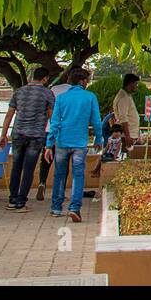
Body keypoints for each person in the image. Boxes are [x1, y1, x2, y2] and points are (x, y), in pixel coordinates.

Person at [45, 68, 103, 223]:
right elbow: (96, 121)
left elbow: (55, 122)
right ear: (82, 81)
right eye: (87, 81)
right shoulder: (90, 97)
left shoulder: (62, 98)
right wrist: (98, 139)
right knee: (78, 175)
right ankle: (74, 207)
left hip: (62, 141)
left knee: (59, 174)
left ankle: (56, 207)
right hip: (79, 142)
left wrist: (49, 145)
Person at [0, 66, 56, 211]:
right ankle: (21, 202)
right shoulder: (47, 93)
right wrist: (55, 135)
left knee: (16, 167)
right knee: (28, 169)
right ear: (45, 79)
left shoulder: (19, 92)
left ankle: (12, 200)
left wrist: (3, 134)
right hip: (36, 136)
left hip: (17, 134)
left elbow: (9, 114)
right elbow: (52, 117)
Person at [35, 74, 74, 201]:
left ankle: (42, 182)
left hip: (49, 129)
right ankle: (60, 191)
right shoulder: (74, 91)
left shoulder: (52, 90)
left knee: (45, 159)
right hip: (65, 131)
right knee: (63, 162)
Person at [112, 73, 142, 151]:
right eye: (136, 84)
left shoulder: (127, 95)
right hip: (127, 135)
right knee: (124, 158)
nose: (136, 86)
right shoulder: (123, 97)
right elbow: (123, 118)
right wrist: (127, 136)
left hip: (130, 134)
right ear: (131, 83)